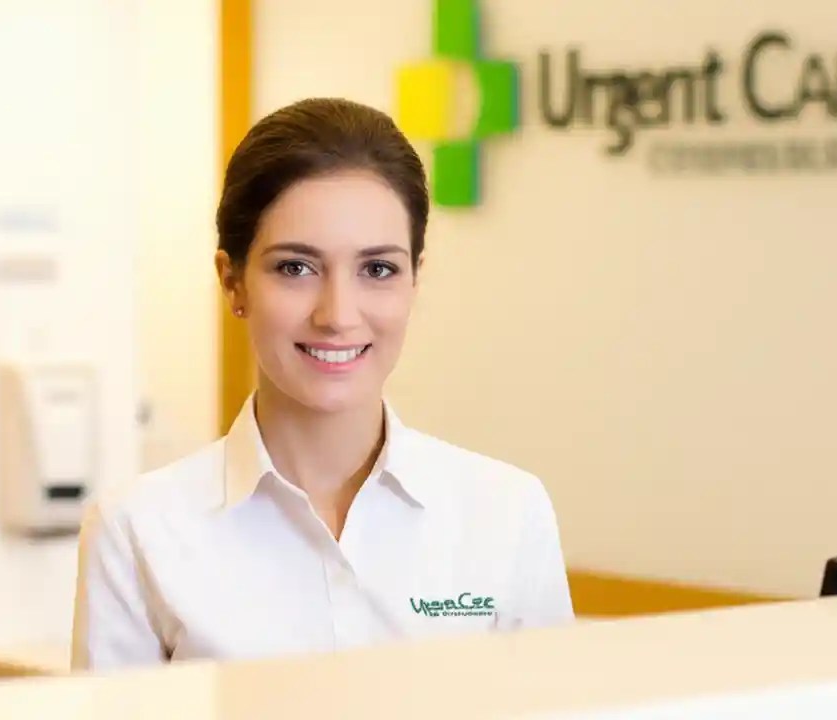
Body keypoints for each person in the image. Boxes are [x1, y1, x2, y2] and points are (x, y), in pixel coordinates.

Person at [71, 97, 573, 670]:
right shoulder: (138, 532)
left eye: (377, 269)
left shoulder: (506, 512)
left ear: (414, 280)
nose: (338, 313)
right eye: (296, 268)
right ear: (233, 283)